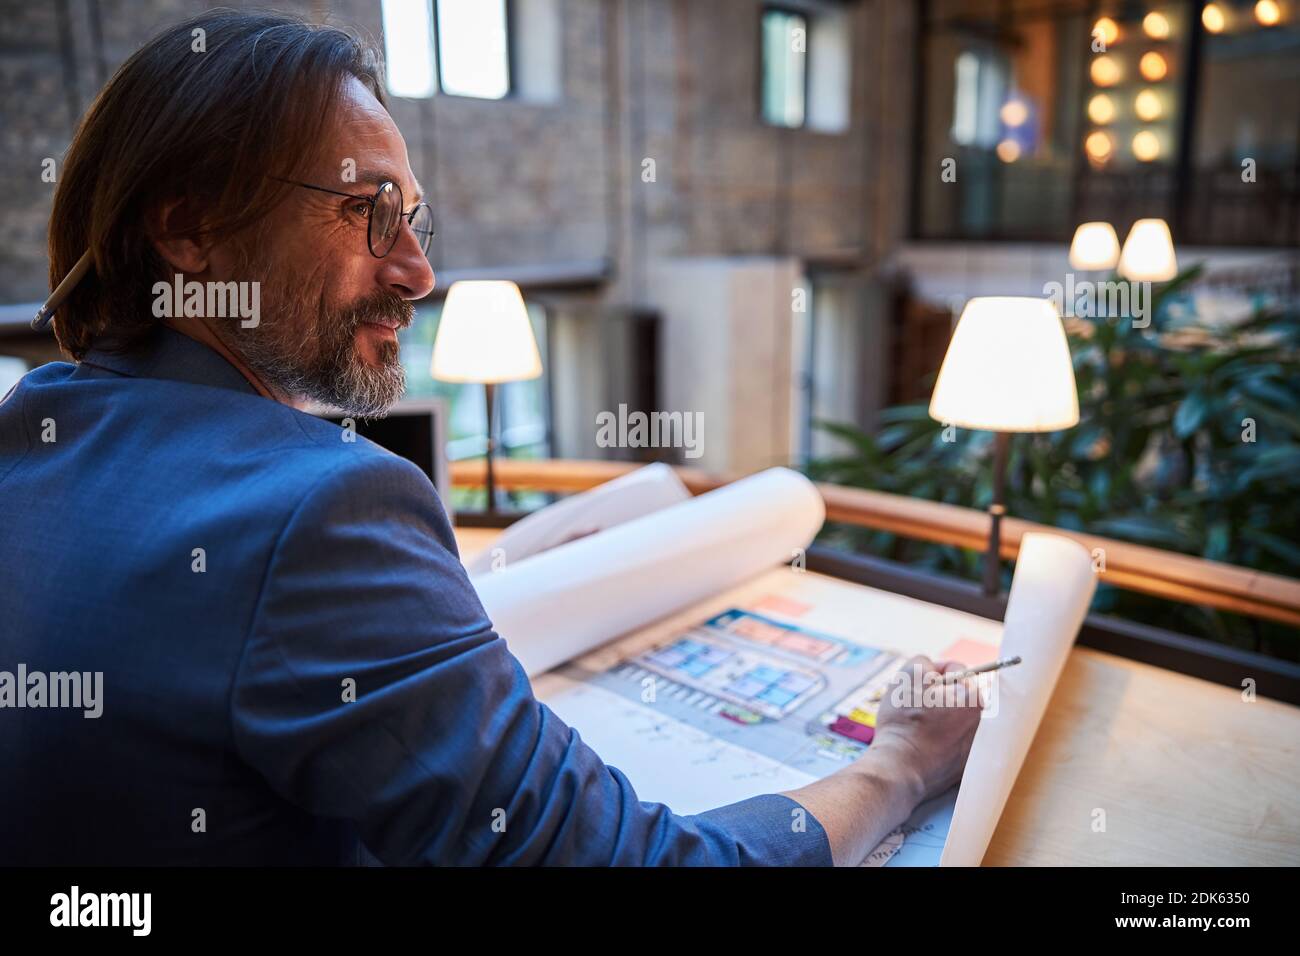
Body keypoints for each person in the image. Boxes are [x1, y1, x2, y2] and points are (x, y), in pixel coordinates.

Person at [0, 11, 980, 866]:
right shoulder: (315, 508)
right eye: (369, 209)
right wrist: (901, 760)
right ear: (192, 231)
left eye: (414, 217)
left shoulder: (28, 436)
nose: (419, 270)